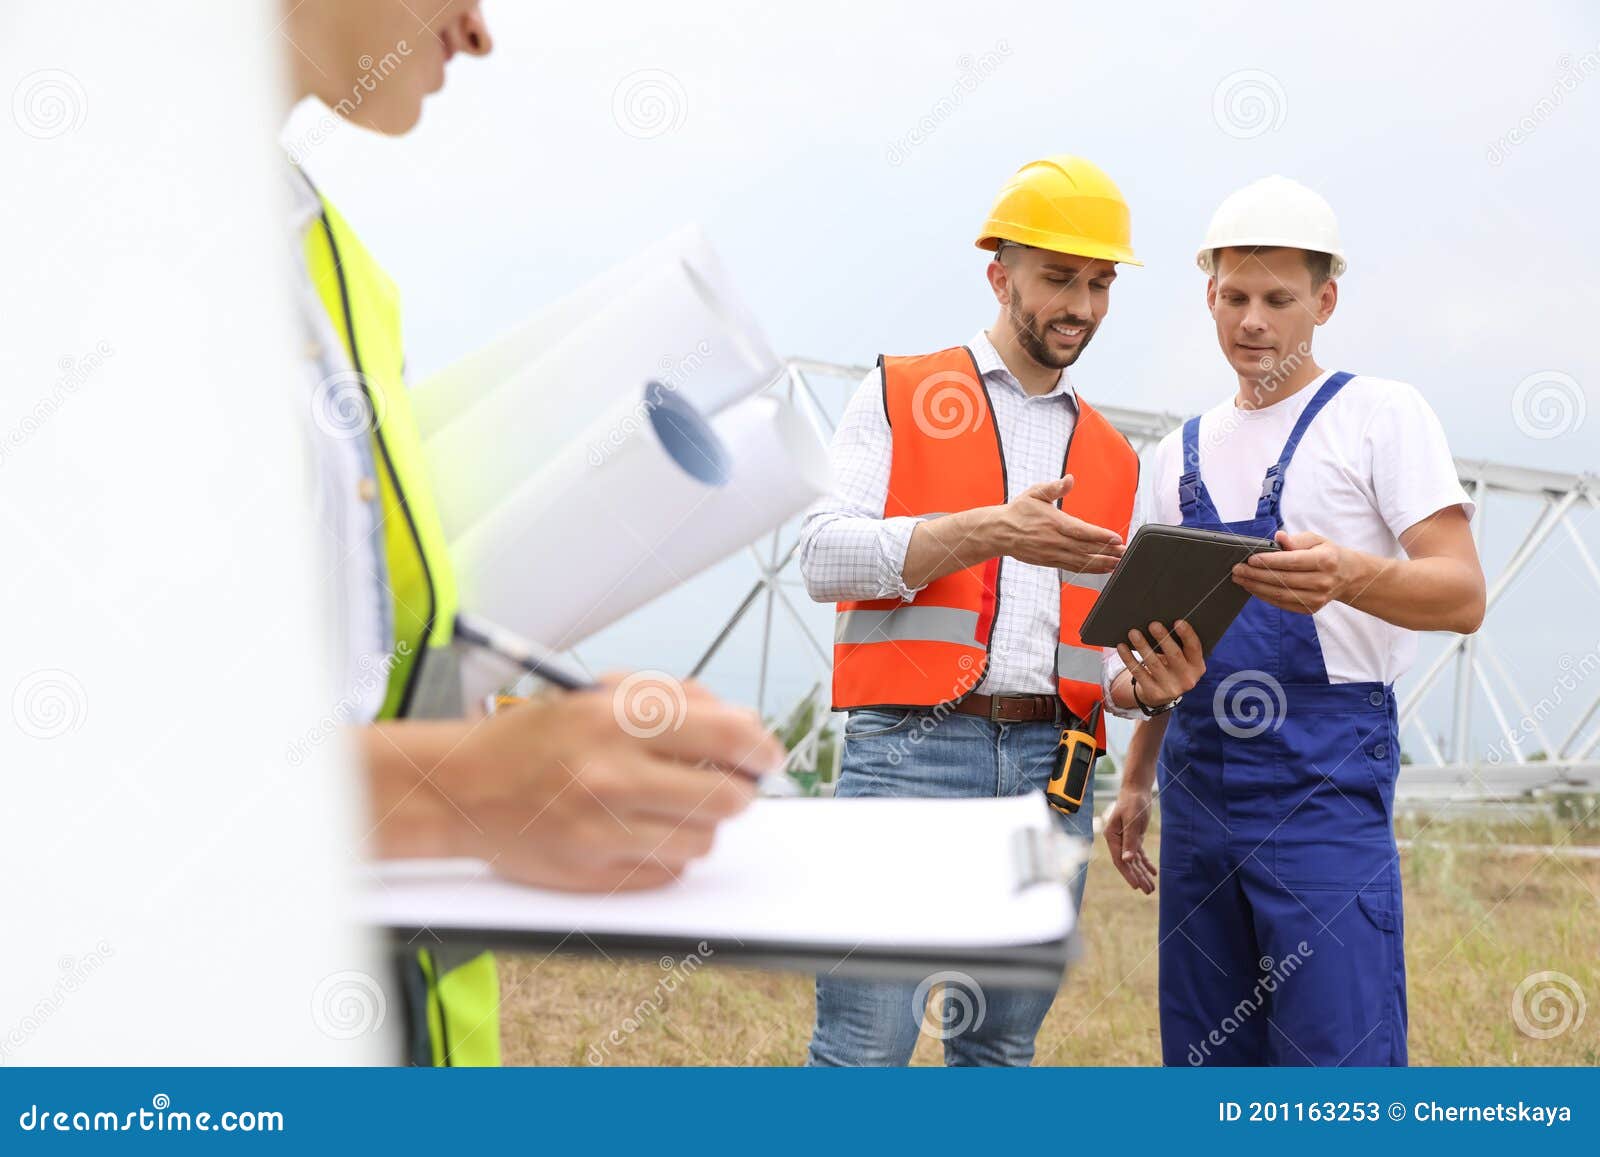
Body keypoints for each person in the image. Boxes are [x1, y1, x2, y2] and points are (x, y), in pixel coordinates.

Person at [280, 0, 782, 1065]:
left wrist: (475, 724)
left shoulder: (336, 274)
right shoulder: (73, 243)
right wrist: (455, 785)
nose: (477, 31)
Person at [800, 156, 1208, 1066]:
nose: (1083, 305)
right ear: (1000, 275)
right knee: (861, 1051)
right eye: (1060, 278)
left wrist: (1145, 690)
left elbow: (1096, 660)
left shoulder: (1114, 458)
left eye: (1101, 283)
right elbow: (822, 556)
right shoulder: (901, 392)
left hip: (1051, 774)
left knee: (997, 1058)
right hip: (908, 758)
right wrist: (988, 531)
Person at [1102, 176, 1485, 1067]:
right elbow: (1163, 642)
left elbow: (1461, 593)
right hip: (1197, 794)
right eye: (1234, 297)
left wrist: (1348, 574)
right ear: (1208, 296)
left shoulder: (1380, 416)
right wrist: (1137, 777)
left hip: (1323, 787)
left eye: (1279, 299)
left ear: (1326, 299)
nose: (1254, 322)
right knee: (1205, 1066)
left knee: (1336, 1061)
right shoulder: (1174, 455)